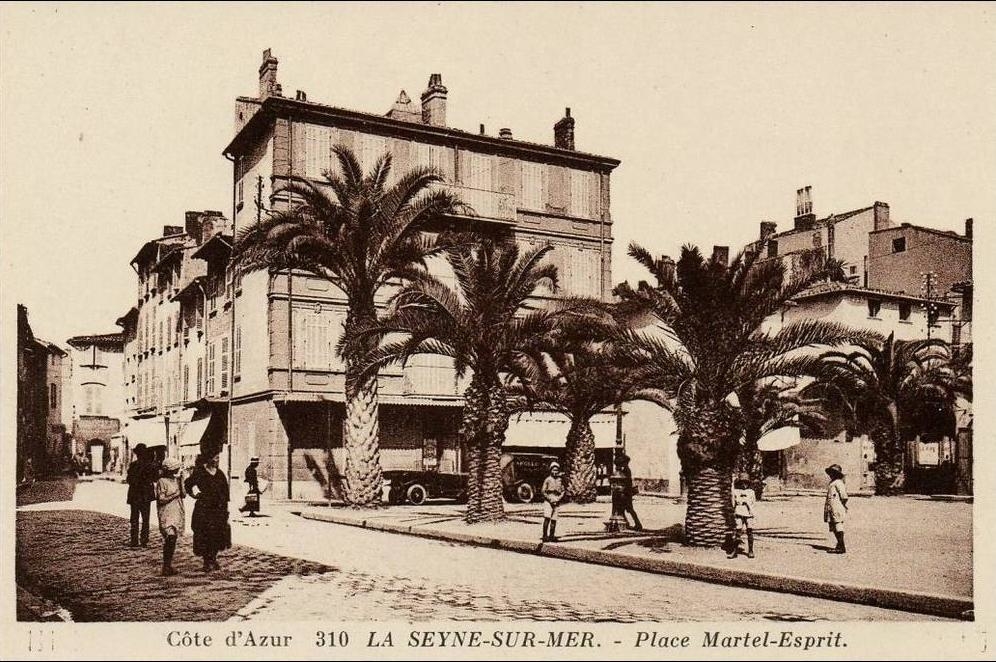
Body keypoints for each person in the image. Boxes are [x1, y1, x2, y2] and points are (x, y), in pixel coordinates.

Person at [186, 451, 231, 572]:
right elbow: (188, 484)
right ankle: (207, 561)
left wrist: (226, 509)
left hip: (218, 509)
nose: (218, 460)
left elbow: (225, 492)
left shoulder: (220, 473)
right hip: (204, 509)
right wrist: (194, 495)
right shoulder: (200, 472)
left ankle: (213, 558)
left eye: (218, 458)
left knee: (217, 534)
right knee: (205, 534)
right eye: (216, 458)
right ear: (209, 459)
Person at [154, 457, 186, 576]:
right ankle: (166, 566)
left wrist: (181, 481)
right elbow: (161, 499)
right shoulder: (161, 481)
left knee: (173, 539)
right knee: (170, 538)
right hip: (166, 513)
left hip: (176, 511)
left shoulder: (176, 480)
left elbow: (183, 494)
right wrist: (174, 495)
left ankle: (168, 565)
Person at [126, 444, 157, 547]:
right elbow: (154, 478)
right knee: (145, 518)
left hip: (134, 495)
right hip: (145, 496)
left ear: (137, 454)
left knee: (134, 518)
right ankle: (144, 540)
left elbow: (128, 480)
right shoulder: (150, 466)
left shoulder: (133, 465)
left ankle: (134, 540)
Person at [729, 472, 756, 559]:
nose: (744, 485)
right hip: (739, 512)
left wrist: (750, 510)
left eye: (746, 482)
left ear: (748, 483)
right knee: (738, 531)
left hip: (748, 513)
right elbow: (733, 503)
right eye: (742, 482)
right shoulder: (736, 491)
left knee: (749, 531)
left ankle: (750, 551)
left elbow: (753, 503)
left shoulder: (751, 492)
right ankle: (735, 551)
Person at [824, 463, 849, 554]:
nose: (831, 475)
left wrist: (842, 505)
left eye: (833, 473)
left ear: (836, 474)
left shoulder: (838, 483)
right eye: (830, 473)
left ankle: (841, 546)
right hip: (832, 507)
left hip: (837, 507)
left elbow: (844, 496)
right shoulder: (833, 483)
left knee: (838, 525)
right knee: (834, 526)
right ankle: (839, 544)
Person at [616, 454, 643, 531]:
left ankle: (637, 524)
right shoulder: (626, 469)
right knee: (624, 509)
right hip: (627, 492)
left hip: (626, 493)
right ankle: (628, 523)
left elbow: (627, 482)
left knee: (629, 509)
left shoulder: (626, 470)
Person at [541, 461, 565, 542]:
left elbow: (563, 491)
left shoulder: (560, 480)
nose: (555, 472)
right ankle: (545, 536)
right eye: (553, 470)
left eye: (556, 470)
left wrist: (559, 498)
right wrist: (549, 499)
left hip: (557, 499)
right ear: (550, 470)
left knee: (554, 519)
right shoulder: (548, 479)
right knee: (547, 517)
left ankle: (552, 535)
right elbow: (543, 491)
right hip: (549, 499)